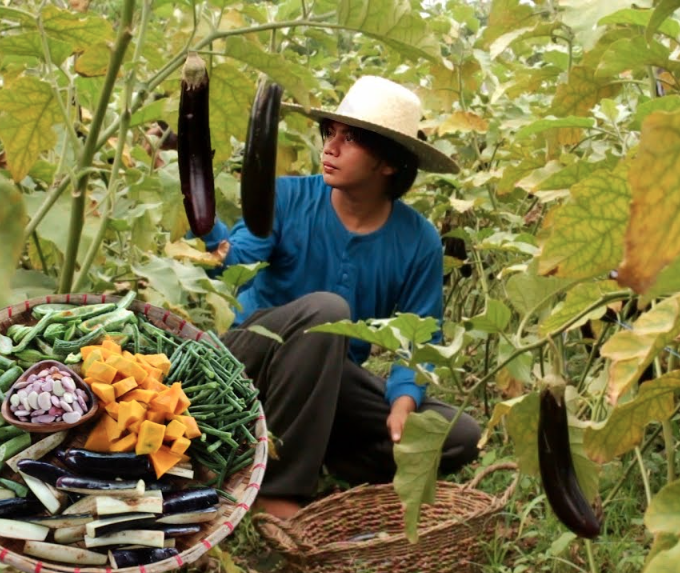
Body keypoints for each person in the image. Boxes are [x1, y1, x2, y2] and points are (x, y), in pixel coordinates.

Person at [195, 76, 482, 520]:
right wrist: (202, 219)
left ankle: (318, 452)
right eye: (331, 133)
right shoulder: (287, 197)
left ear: (388, 162)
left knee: (458, 433)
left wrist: (404, 398)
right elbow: (233, 266)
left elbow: (420, 336)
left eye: (351, 140)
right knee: (328, 311)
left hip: (325, 383)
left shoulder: (419, 239)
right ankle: (277, 494)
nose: (331, 147)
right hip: (249, 364)